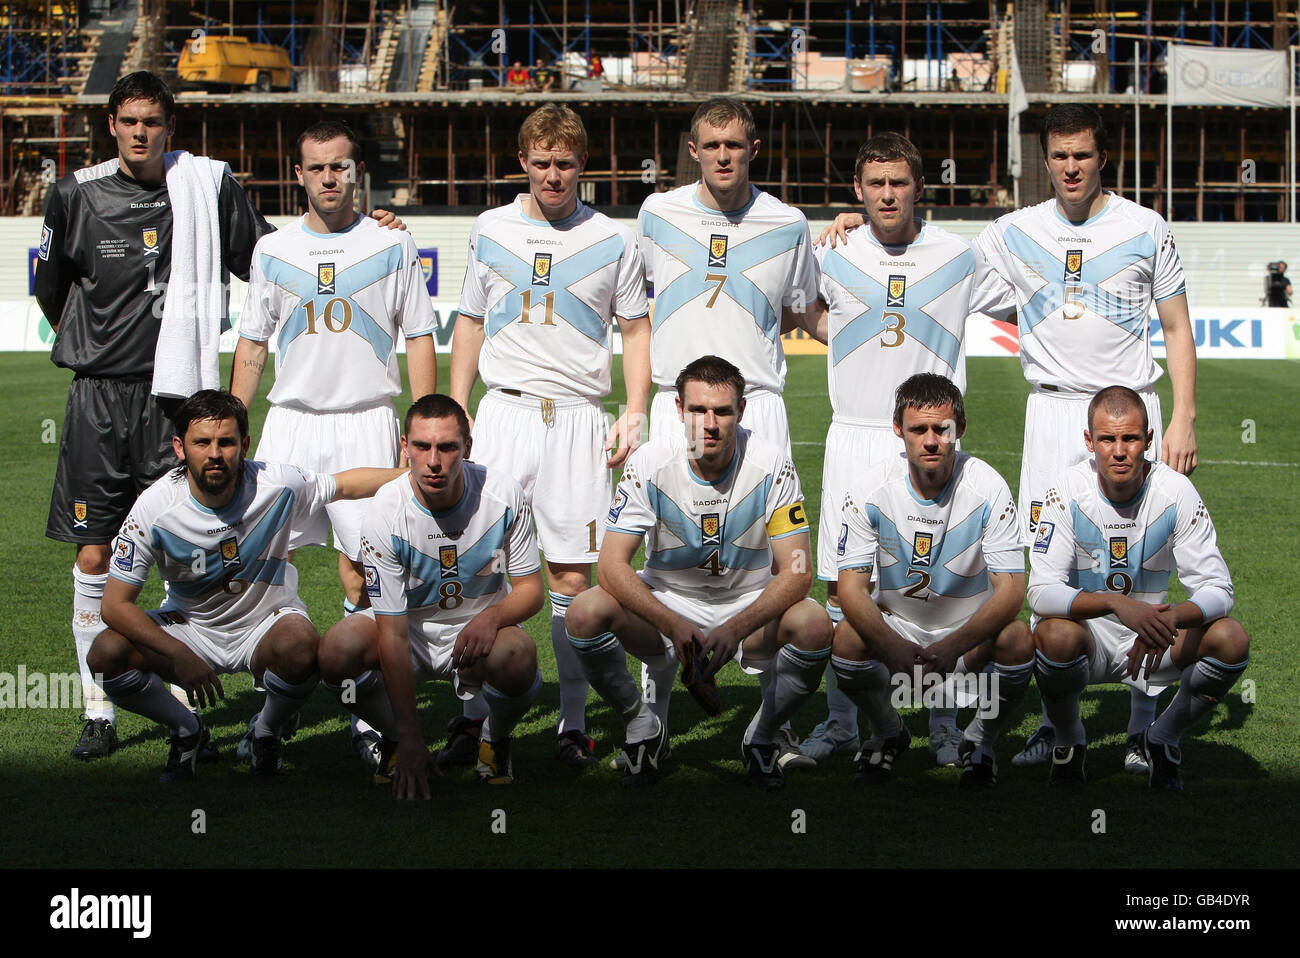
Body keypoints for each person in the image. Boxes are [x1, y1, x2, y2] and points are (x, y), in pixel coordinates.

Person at [34, 71, 274, 760]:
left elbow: (265, 257)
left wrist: (350, 235)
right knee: (96, 549)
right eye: (130, 120)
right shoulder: (75, 193)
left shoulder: (204, 186)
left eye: (153, 122)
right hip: (100, 397)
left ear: (171, 128)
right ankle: (98, 709)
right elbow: (51, 289)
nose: (141, 132)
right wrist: (99, 346)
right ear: (112, 123)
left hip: (177, 397)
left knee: (179, 543)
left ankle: (180, 703)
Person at [973, 104, 1199, 773]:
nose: (1071, 167)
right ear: (1045, 159)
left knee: (1144, 565)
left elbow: (1178, 328)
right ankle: (1056, 725)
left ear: (1104, 158)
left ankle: (1140, 723)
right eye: (1060, 156)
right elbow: (939, 267)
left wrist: (1183, 416)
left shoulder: (1145, 227)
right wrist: (856, 225)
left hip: (1131, 417)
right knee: (1051, 572)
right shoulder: (1014, 231)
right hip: (1051, 418)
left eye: (1083, 155)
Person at [230, 120, 437, 766]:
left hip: (367, 422)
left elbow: (419, 336)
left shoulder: (392, 245)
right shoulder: (272, 250)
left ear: (357, 173)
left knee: (368, 574)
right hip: (290, 424)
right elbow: (253, 344)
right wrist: (234, 425)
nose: (328, 178)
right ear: (298, 174)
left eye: (340, 167)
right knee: (262, 569)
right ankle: (271, 717)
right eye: (316, 167)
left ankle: (365, 715)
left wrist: (424, 422)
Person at [797, 131, 1007, 767]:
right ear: (858, 190)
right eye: (876, 184)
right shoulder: (830, 252)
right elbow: (802, 309)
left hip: (928, 445)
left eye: (899, 182)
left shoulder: (960, 256)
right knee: (843, 589)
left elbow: (1032, 294)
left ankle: (943, 724)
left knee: (936, 588)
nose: (888, 194)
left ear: (920, 188)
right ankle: (844, 723)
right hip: (854, 436)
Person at [450, 104, 650, 769]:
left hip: (576, 418)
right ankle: (473, 716)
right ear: (523, 163)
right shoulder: (489, 228)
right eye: (541, 162)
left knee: (569, 572)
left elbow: (636, 331)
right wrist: (457, 407)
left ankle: (570, 725)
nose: (553, 175)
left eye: (565, 163)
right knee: (481, 568)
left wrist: (637, 407)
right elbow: (470, 322)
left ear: (582, 165)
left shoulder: (613, 238)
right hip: (503, 412)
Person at [87, 390, 406, 782]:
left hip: (266, 623)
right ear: (180, 447)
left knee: (302, 647)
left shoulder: (277, 483)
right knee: (106, 654)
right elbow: (114, 605)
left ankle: (265, 733)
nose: (215, 453)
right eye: (201, 442)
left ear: (245, 445)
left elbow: (343, 485)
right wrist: (178, 654)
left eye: (226, 442)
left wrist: (412, 474)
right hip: (191, 627)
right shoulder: (154, 508)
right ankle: (187, 731)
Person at [564, 356, 832, 789]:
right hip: (668, 601)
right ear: (678, 410)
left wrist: (737, 627)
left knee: (816, 624)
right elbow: (611, 567)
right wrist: (672, 623)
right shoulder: (650, 462)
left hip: (746, 604)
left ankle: (762, 738)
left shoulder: (771, 464)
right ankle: (641, 726)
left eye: (723, 411)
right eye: (698, 410)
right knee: (583, 612)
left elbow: (799, 571)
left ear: (741, 411)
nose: (710, 423)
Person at [318, 395, 543, 796]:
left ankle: (494, 738)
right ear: (405, 447)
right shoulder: (384, 511)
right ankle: (392, 739)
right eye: (421, 447)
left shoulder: (504, 494)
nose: (433, 461)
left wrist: (490, 619)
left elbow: (531, 591)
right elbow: (392, 631)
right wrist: (408, 736)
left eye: (447, 447)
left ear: (468, 448)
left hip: (480, 630)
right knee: (337, 652)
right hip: (412, 633)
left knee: (519, 657)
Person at [1028, 386, 1249, 791]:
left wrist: (1170, 616)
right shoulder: (1065, 489)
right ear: (1089, 441)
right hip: (1088, 642)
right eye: (1107, 439)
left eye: (1130, 438)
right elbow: (1041, 591)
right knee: (1052, 634)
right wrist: (1115, 604)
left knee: (1231, 639)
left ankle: (1161, 739)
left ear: (1149, 440)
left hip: (1156, 640)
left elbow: (1219, 588)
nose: (1118, 451)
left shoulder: (1175, 491)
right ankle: (1069, 741)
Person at [832, 373, 1033, 787]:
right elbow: (850, 589)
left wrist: (952, 648)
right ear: (897, 430)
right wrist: (893, 647)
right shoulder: (869, 489)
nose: (930, 440)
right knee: (845, 639)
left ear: (958, 428)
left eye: (941, 429)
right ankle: (888, 731)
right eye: (917, 429)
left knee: (1016, 640)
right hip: (899, 629)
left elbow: (1012, 590)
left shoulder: (988, 487)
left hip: (966, 635)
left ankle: (979, 742)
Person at [637, 97, 820, 454]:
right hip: (675, 405)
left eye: (733, 145)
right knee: (670, 512)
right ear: (694, 150)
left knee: (765, 513)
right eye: (711, 145)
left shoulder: (788, 224)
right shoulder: (657, 214)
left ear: (752, 150)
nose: (722, 156)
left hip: (757, 404)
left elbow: (801, 310)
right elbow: (631, 305)